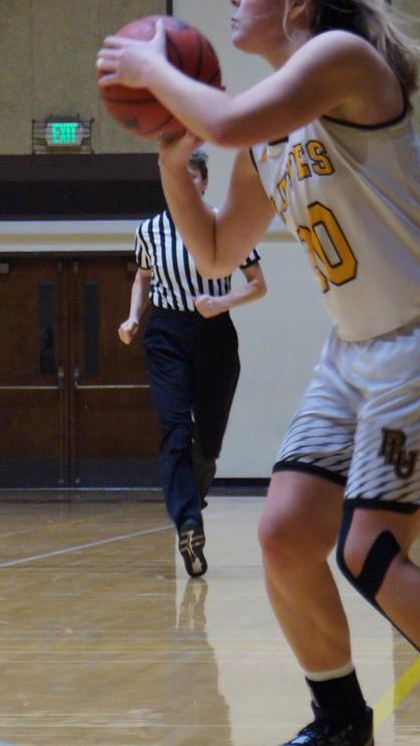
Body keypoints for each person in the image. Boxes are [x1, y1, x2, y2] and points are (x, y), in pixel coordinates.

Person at [97, 0, 420, 746]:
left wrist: (152, 72)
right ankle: (341, 720)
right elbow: (213, 251)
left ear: (300, 3)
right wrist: (173, 159)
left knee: (369, 553)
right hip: (353, 351)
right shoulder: (268, 126)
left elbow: (231, 117)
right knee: (283, 534)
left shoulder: (344, 60)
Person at [119, 148, 267, 576]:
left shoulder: (226, 226)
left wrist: (221, 302)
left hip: (215, 335)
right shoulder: (149, 231)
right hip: (166, 333)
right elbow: (142, 277)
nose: (183, 184)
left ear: (203, 182)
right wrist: (133, 317)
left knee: (209, 443)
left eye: (191, 177)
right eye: (175, 178)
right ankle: (188, 521)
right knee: (175, 430)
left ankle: (191, 497)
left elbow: (258, 285)